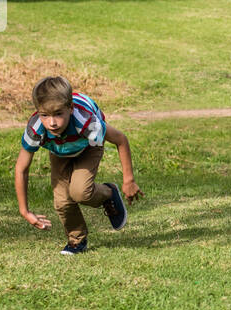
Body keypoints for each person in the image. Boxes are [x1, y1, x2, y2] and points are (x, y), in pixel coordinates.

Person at [14, 76, 139, 255]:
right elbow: (21, 169)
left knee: (80, 191)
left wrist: (129, 180)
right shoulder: (36, 130)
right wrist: (24, 210)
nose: (52, 123)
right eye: (44, 115)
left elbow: (120, 140)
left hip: (88, 146)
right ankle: (76, 240)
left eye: (58, 113)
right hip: (59, 152)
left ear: (70, 109)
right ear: (37, 112)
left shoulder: (86, 122)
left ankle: (108, 193)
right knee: (62, 201)